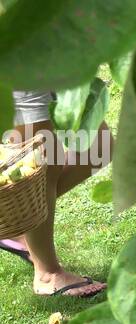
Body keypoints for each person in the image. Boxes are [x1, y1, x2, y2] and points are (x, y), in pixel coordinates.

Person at [0, 89, 110, 297]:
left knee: (99, 148)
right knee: (44, 160)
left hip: (56, 60)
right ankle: (47, 274)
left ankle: (16, 223)